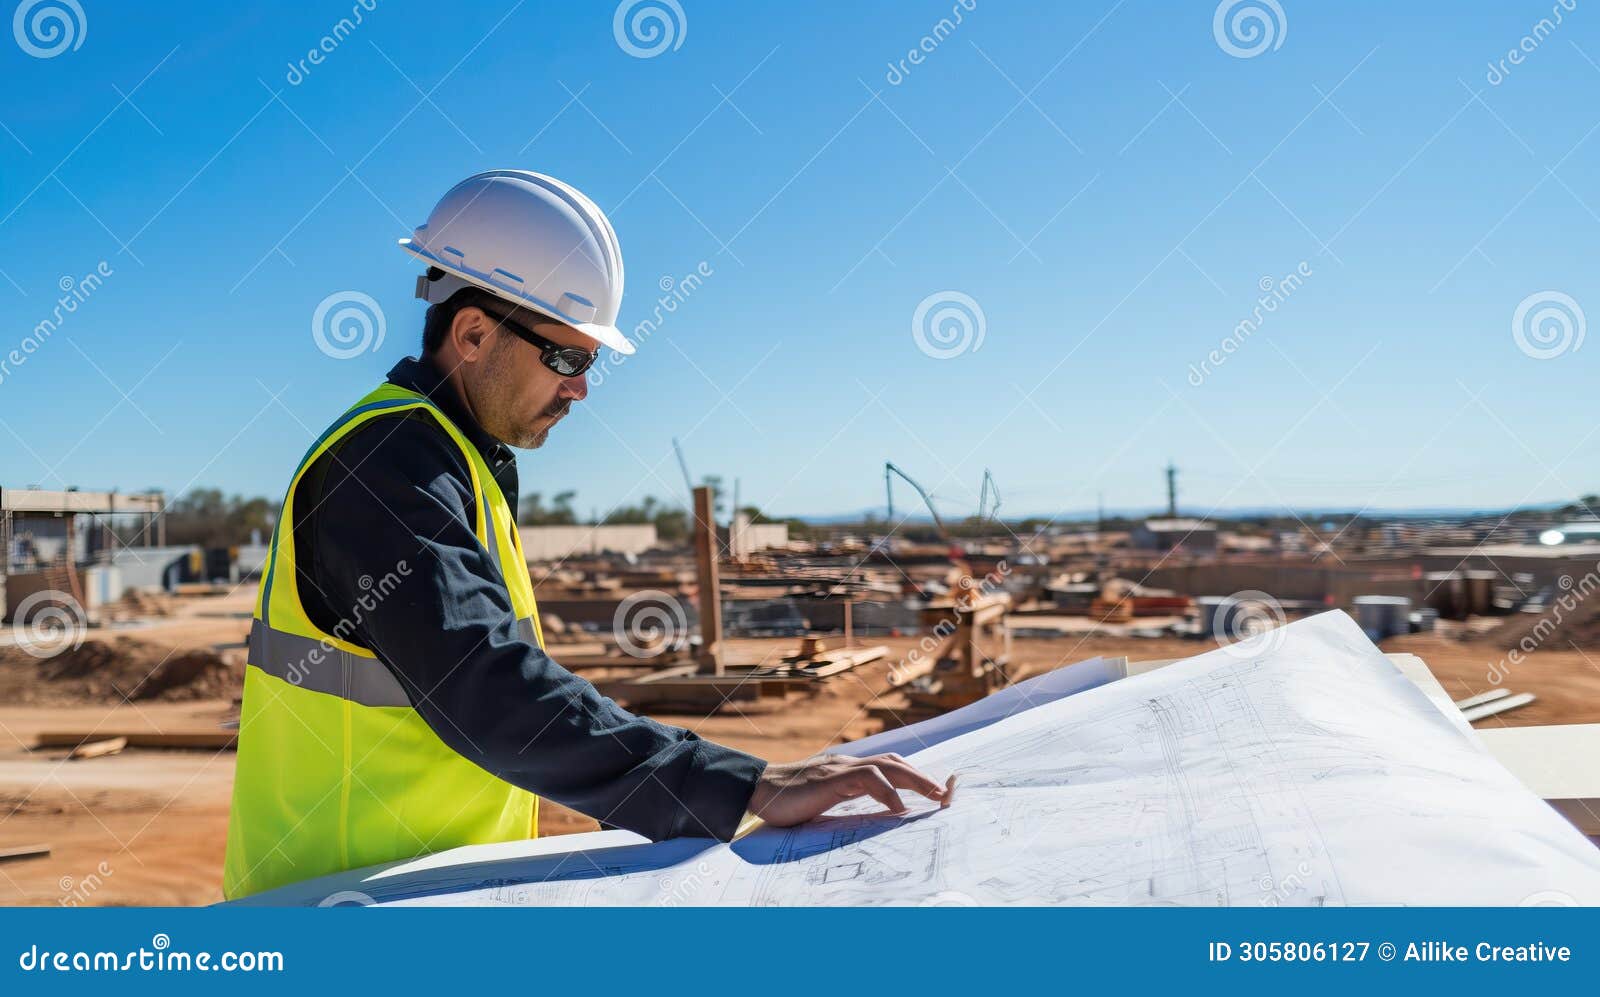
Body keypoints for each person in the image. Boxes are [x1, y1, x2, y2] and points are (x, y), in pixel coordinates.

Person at [222, 170, 951, 899]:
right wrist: (742, 785)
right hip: (338, 902)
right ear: (473, 333)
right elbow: (487, 685)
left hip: (415, 896)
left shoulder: (454, 463)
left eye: (589, 363)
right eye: (566, 359)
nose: (580, 388)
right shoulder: (384, 467)